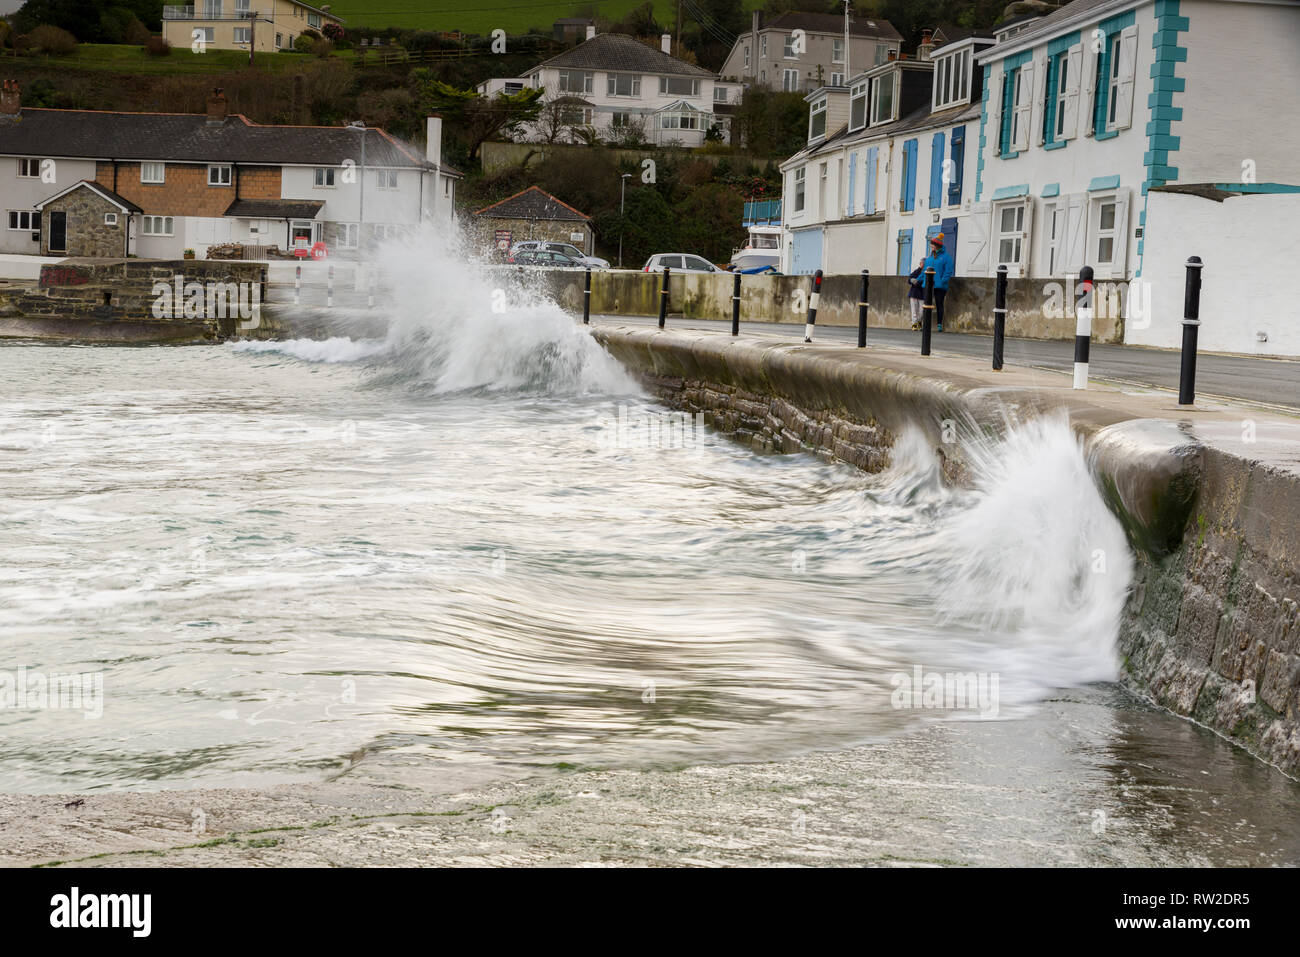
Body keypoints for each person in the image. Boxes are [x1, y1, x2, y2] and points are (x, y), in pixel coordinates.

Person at [920, 233, 954, 331]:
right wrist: (918, 279)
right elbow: (924, 271)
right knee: (926, 305)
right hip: (927, 285)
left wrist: (942, 282)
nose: (931, 246)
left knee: (939, 304)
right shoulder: (929, 258)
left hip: (940, 286)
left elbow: (948, 271)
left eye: (932, 245)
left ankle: (939, 324)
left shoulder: (946, 257)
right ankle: (925, 324)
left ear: (937, 246)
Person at [907, 257, 926, 330]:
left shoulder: (926, 273)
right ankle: (914, 324)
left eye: (923, 263)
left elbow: (922, 281)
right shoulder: (916, 271)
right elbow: (909, 279)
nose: (922, 265)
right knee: (914, 310)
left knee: (922, 311)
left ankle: (919, 323)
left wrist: (917, 282)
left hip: (922, 294)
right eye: (921, 263)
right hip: (914, 293)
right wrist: (912, 280)